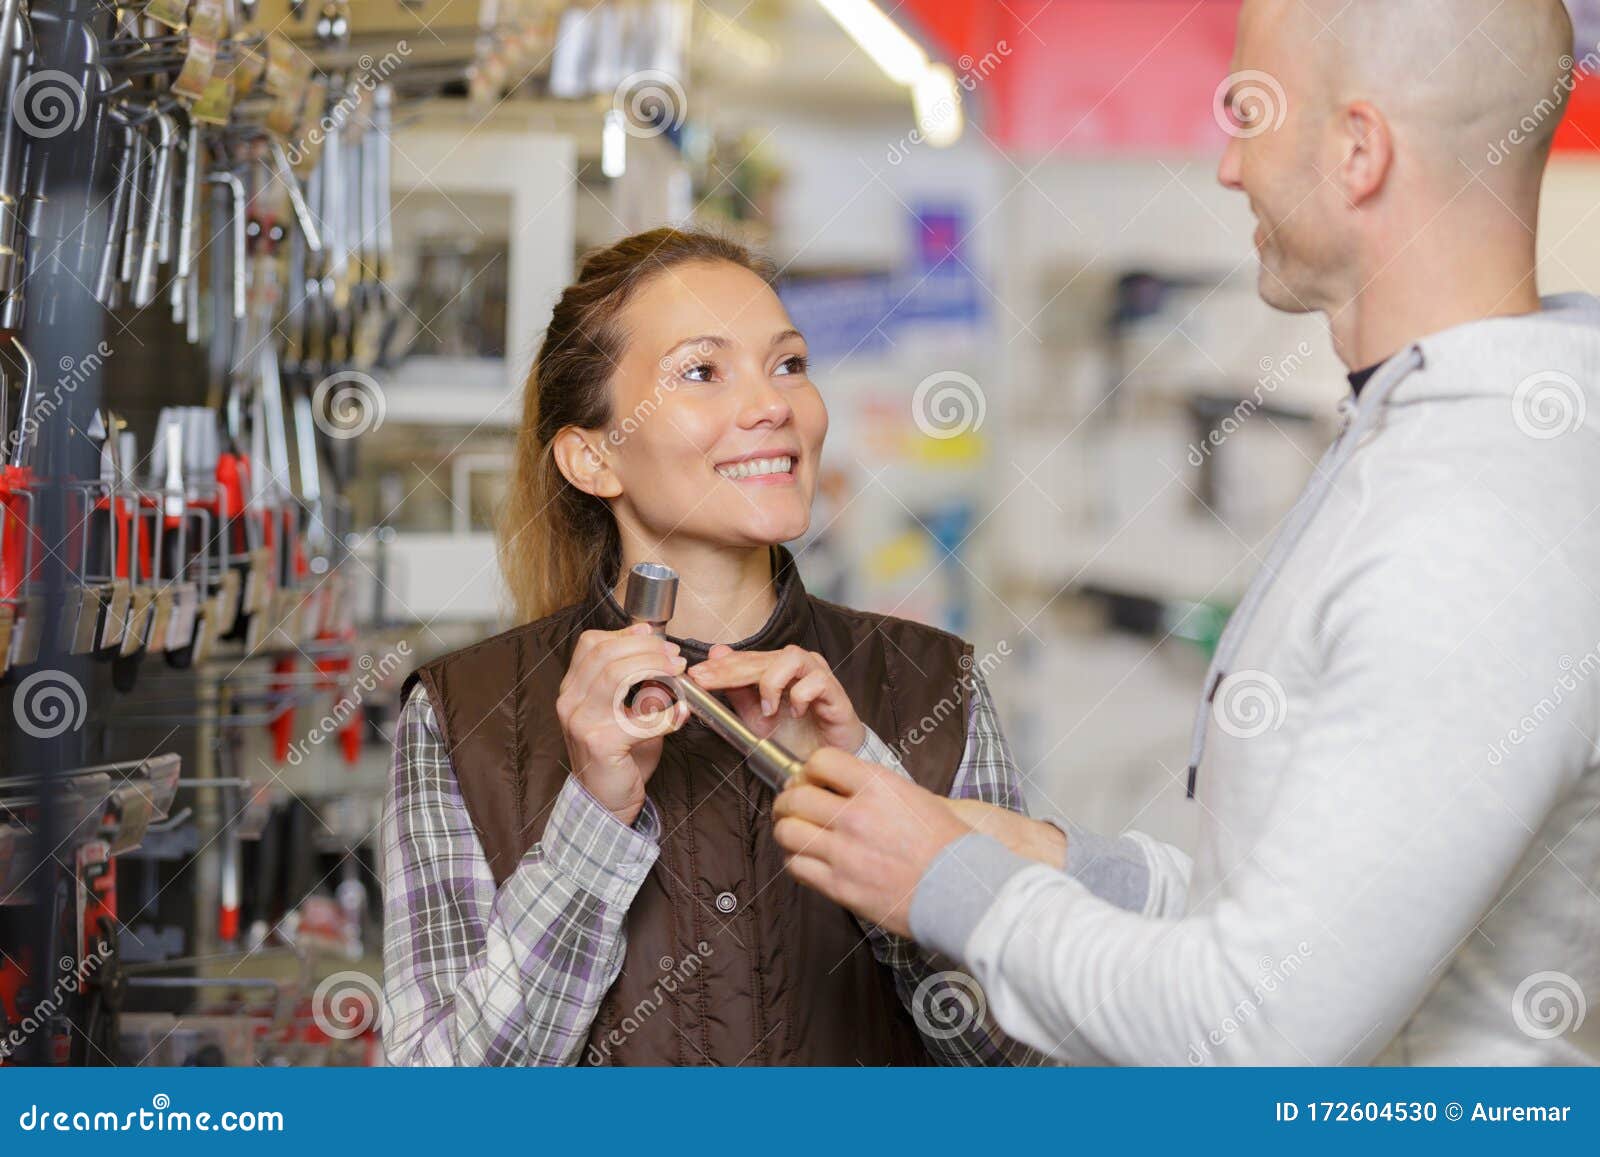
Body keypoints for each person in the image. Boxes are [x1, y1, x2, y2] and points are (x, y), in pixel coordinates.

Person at [771, 0, 1600, 1065]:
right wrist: (1040, 859)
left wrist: (946, 883)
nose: (1225, 165)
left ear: (1358, 151)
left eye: (1248, 113)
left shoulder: (1468, 528)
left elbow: (1246, 1029)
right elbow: (1295, 928)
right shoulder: (1423, 442)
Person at [378, 228, 1109, 1066]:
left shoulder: (931, 683)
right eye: (702, 372)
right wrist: (594, 820)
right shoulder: (462, 713)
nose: (773, 405)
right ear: (592, 457)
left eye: (790, 364)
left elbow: (1027, 1065)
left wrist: (871, 798)